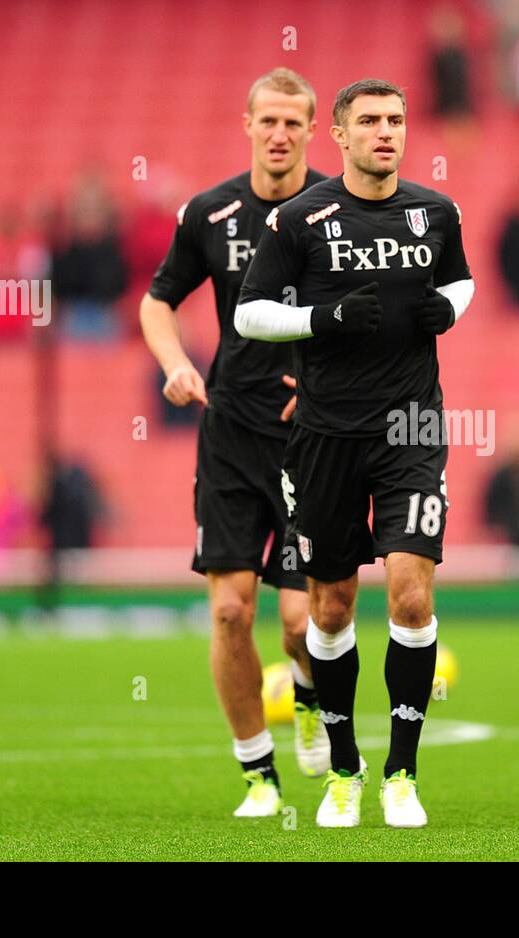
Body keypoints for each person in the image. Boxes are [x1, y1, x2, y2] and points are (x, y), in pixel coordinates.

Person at [235, 78, 474, 829]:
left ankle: (402, 772)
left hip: (411, 427)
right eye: (369, 121)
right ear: (337, 135)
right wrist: (323, 316)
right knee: (330, 609)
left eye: (396, 120)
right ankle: (345, 769)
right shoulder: (298, 219)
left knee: (410, 594)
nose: (385, 132)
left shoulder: (436, 212)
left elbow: (461, 280)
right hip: (326, 434)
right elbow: (249, 312)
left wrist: (451, 308)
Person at [139, 68, 330, 819]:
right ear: (246, 124)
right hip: (229, 430)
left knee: (296, 622)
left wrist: (326, 385)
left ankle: (312, 696)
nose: (279, 134)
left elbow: (373, 321)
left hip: (312, 437)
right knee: (230, 613)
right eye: (268, 121)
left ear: (314, 131)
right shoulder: (209, 212)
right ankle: (258, 773)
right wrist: (176, 362)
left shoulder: (337, 214)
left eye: (293, 123)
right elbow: (158, 302)